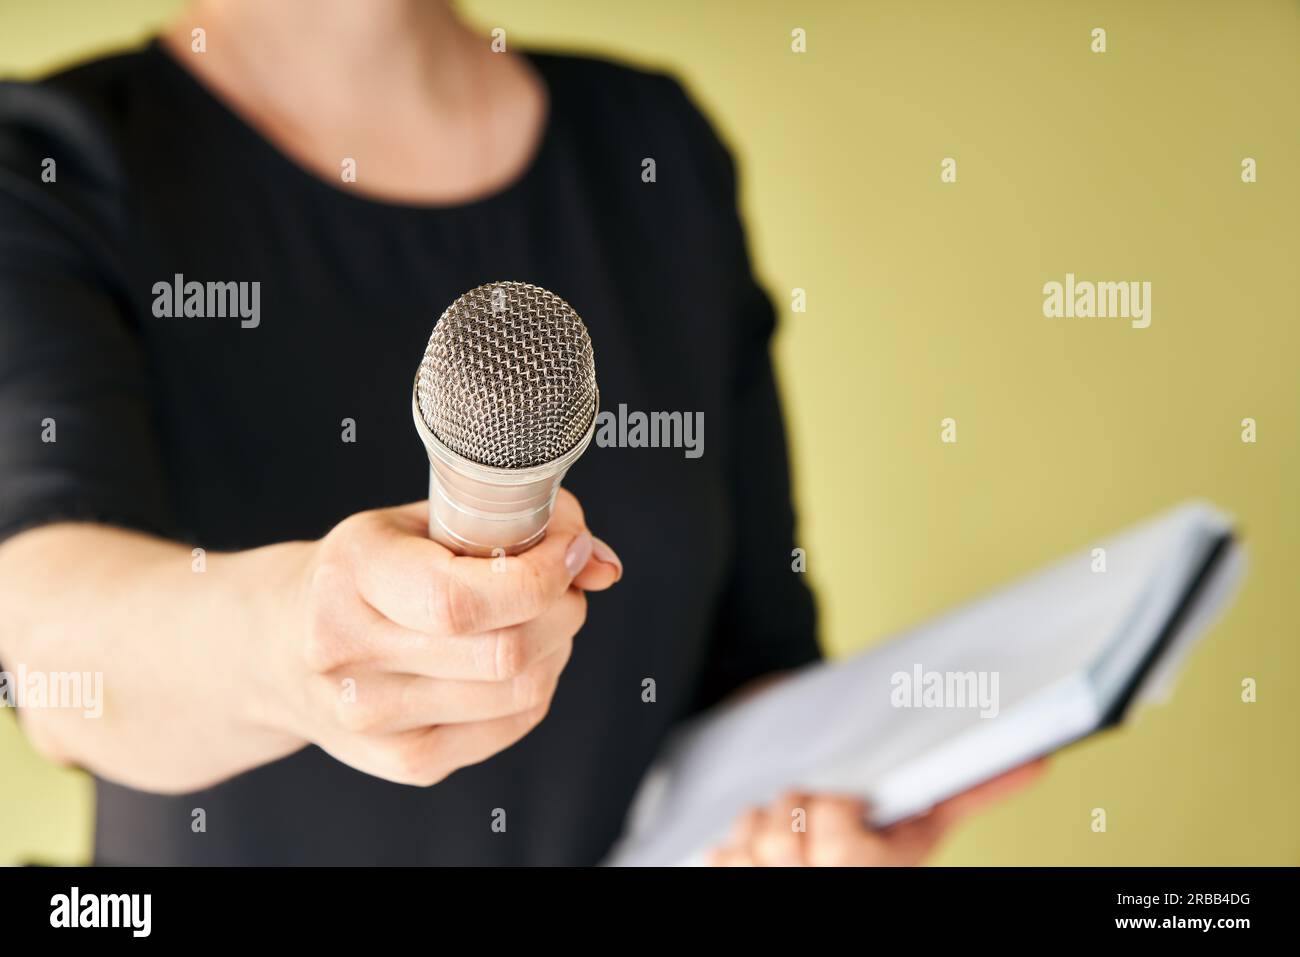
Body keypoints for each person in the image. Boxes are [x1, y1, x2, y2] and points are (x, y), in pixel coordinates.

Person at [0, 0, 1041, 866]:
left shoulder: (652, 145)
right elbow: (51, 646)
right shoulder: (51, 166)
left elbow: (752, 656)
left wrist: (813, 812)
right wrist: (293, 644)